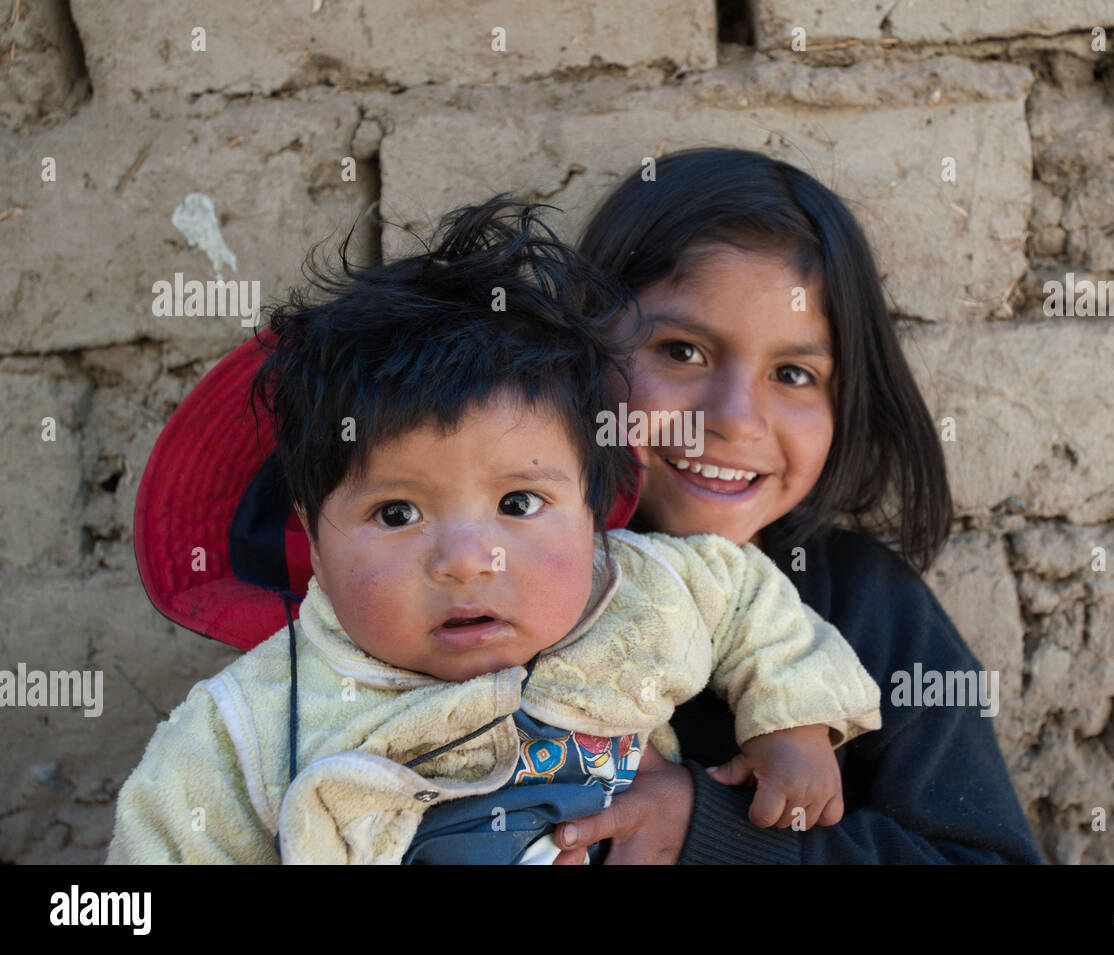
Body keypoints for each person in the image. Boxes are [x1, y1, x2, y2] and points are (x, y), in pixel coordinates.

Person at [106, 197, 882, 865]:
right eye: (397, 513)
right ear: (314, 533)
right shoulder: (255, 720)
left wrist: (793, 727)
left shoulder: (640, 590)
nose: (469, 560)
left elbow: (747, 596)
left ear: (591, 500)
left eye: (519, 503)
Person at [546, 147, 1045, 864]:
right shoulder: (495, 565)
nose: (736, 418)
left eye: (793, 372)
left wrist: (714, 836)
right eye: (682, 351)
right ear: (581, 348)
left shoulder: (867, 607)